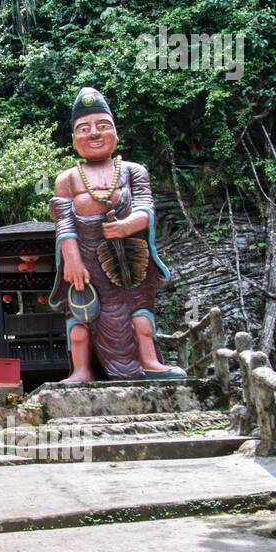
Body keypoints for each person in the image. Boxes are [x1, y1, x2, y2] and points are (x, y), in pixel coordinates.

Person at [48, 87, 184, 382]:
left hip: (129, 257)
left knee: (139, 311)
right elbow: (64, 223)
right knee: (82, 315)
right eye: (84, 129)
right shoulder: (67, 179)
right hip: (85, 260)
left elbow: (146, 208)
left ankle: (148, 361)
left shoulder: (133, 171)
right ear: (74, 140)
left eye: (103, 126)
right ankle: (82, 370)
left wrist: (127, 225)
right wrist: (71, 260)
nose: (94, 133)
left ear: (116, 134)